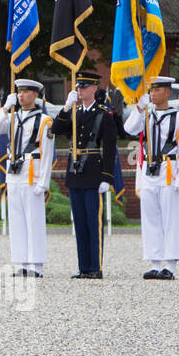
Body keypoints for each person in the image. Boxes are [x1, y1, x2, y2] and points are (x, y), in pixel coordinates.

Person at [123, 76, 179, 280]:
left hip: (168, 170)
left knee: (170, 219)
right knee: (150, 218)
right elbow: (129, 129)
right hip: (148, 171)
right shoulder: (146, 115)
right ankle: (154, 262)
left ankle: (170, 265)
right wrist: (139, 107)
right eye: (151, 90)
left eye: (157, 90)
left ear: (167, 92)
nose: (153, 94)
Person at [52, 70, 118, 279]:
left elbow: (109, 148)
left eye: (83, 87)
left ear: (94, 89)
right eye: (78, 87)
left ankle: (95, 267)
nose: (79, 90)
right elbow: (56, 129)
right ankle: (84, 267)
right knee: (79, 222)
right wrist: (65, 107)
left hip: (93, 173)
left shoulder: (103, 115)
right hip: (75, 172)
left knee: (93, 222)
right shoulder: (74, 112)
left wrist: (107, 177)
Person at [0, 79, 54, 277]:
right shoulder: (11, 118)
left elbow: (48, 152)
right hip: (14, 173)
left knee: (34, 220)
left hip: (32, 173)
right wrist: (5, 108)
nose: (21, 96)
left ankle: (36, 265)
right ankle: (22, 262)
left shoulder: (44, 121)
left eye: (26, 92)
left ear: (35, 95)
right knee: (17, 221)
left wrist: (44, 182)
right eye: (19, 92)